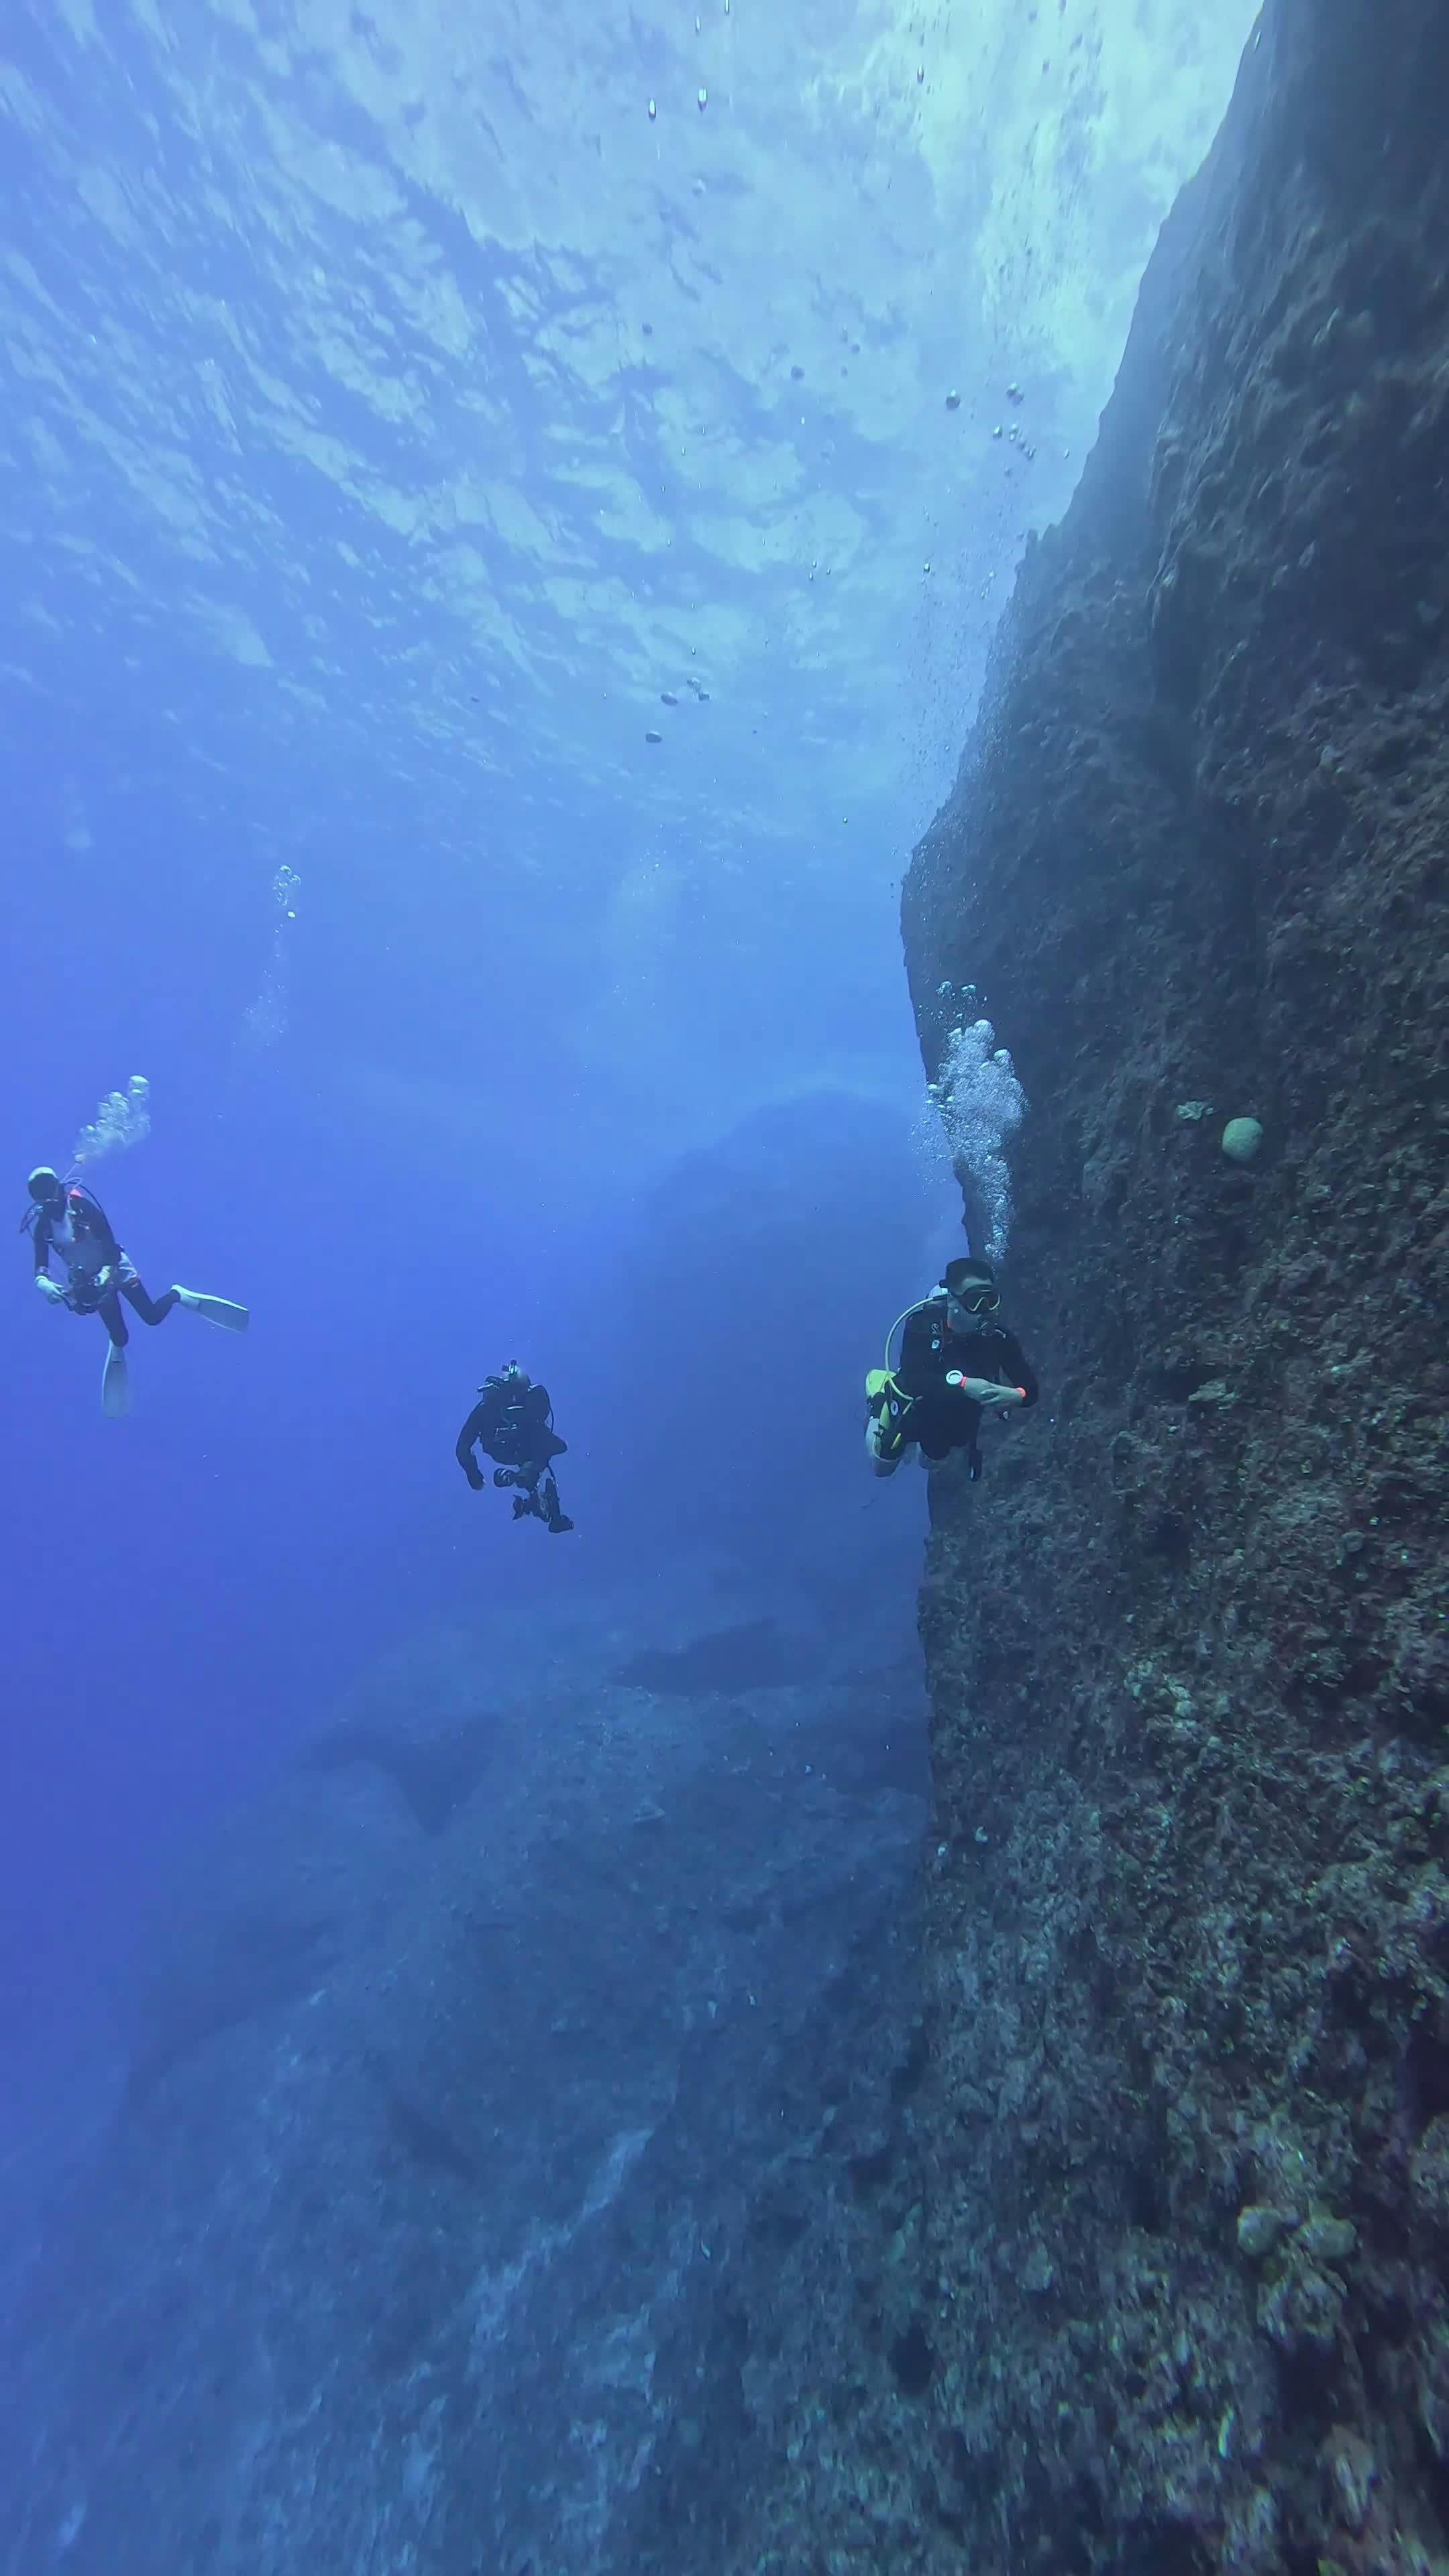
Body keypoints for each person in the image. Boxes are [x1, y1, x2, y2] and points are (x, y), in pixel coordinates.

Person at [23, 1165, 249, 1419]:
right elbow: (40, 1265)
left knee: (151, 1317)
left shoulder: (83, 1209)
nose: (47, 1200)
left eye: (47, 1190)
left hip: (116, 1269)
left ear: (58, 1187)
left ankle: (178, 1295)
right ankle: (117, 1343)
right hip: (89, 1281)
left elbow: (110, 1248)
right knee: (120, 1336)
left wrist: (104, 1277)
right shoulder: (43, 1227)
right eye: (39, 1195)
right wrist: (43, 1284)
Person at [865, 1253, 1038, 1482]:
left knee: (930, 1461)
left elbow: (1030, 1390)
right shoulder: (923, 1326)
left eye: (990, 1299)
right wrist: (964, 1385)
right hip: (913, 1407)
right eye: (974, 1300)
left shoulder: (999, 1337)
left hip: (954, 1418)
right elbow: (913, 1380)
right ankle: (880, 1396)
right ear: (952, 1300)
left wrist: (1016, 1395)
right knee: (882, 1466)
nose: (984, 1309)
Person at [455, 1362, 574, 1534]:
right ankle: (526, 1482)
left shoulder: (527, 1403)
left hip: (513, 1451)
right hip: (515, 1451)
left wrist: (474, 1476)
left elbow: (462, 1448)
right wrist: (474, 1475)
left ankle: (530, 1491)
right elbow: (462, 1447)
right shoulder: (486, 1412)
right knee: (543, 1453)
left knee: (541, 1455)